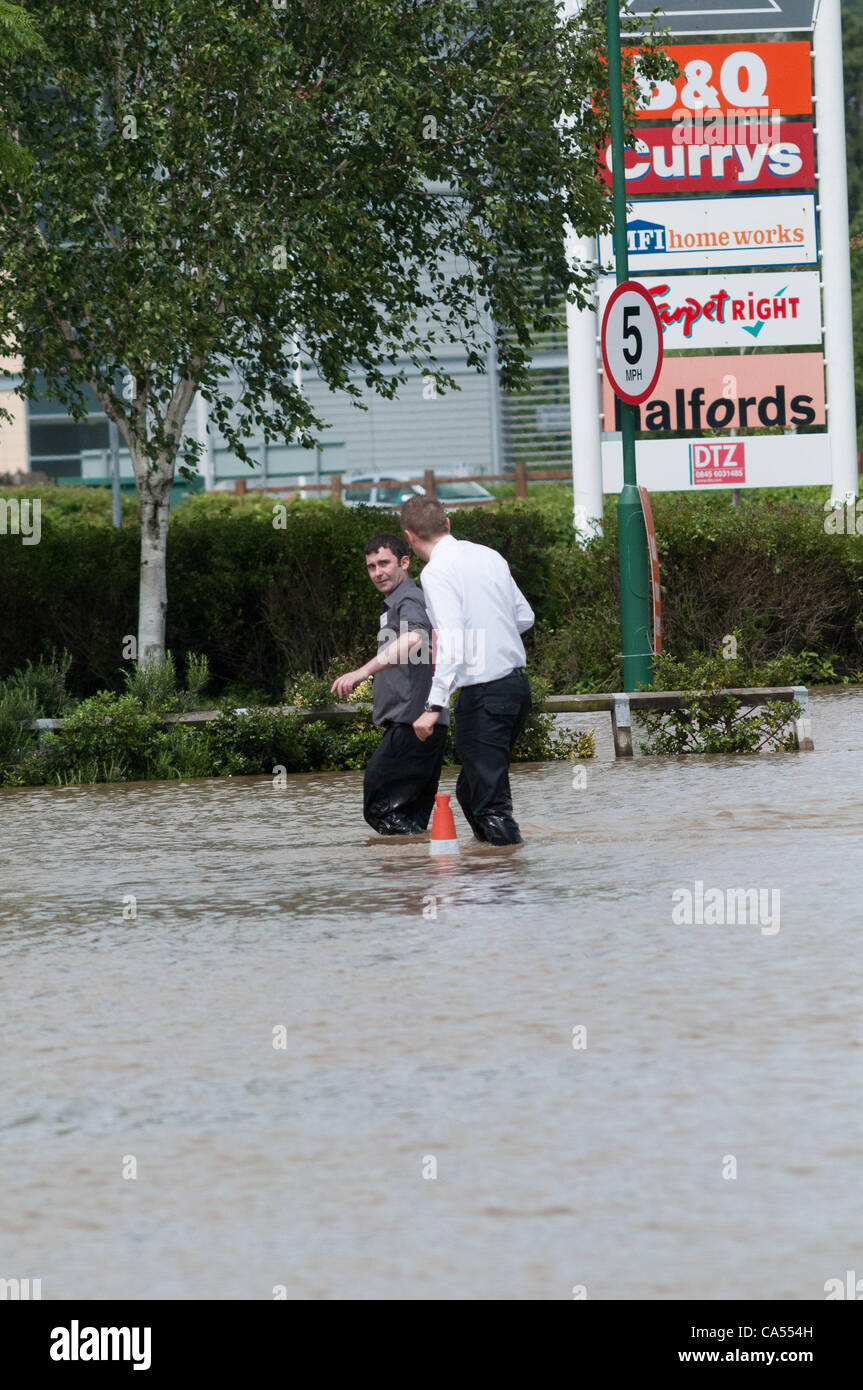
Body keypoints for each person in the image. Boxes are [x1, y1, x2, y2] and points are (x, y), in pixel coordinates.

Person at [400, 495, 534, 846]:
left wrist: (433, 708)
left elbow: (451, 641)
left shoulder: (436, 572)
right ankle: (488, 878)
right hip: (517, 690)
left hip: (485, 694)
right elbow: (524, 617)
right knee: (470, 792)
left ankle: (510, 888)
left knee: (490, 804)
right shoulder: (489, 556)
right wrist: (488, 637)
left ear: (409, 538)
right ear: (447, 524)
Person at [331, 531, 449, 835]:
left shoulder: (409, 598)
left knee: (379, 806)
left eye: (384, 563)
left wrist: (362, 672)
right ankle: (418, 873)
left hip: (413, 722)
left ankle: (403, 873)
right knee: (410, 814)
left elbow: (415, 637)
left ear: (405, 562)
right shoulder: (398, 604)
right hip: (421, 723)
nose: (378, 572)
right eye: (371, 566)